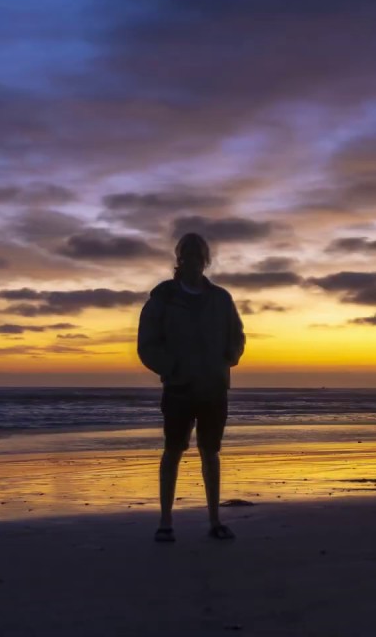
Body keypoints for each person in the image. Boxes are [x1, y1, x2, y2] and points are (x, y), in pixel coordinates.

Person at [137, 232, 246, 542]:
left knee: (210, 452)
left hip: (213, 387)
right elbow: (147, 345)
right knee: (173, 451)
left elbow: (237, 334)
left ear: (205, 261)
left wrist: (228, 357)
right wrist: (173, 369)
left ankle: (215, 521)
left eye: (199, 257)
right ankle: (165, 521)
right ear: (179, 260)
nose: (194, 263)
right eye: (188, 257)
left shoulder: (220, 298)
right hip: (179, 389)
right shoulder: (163, 299)